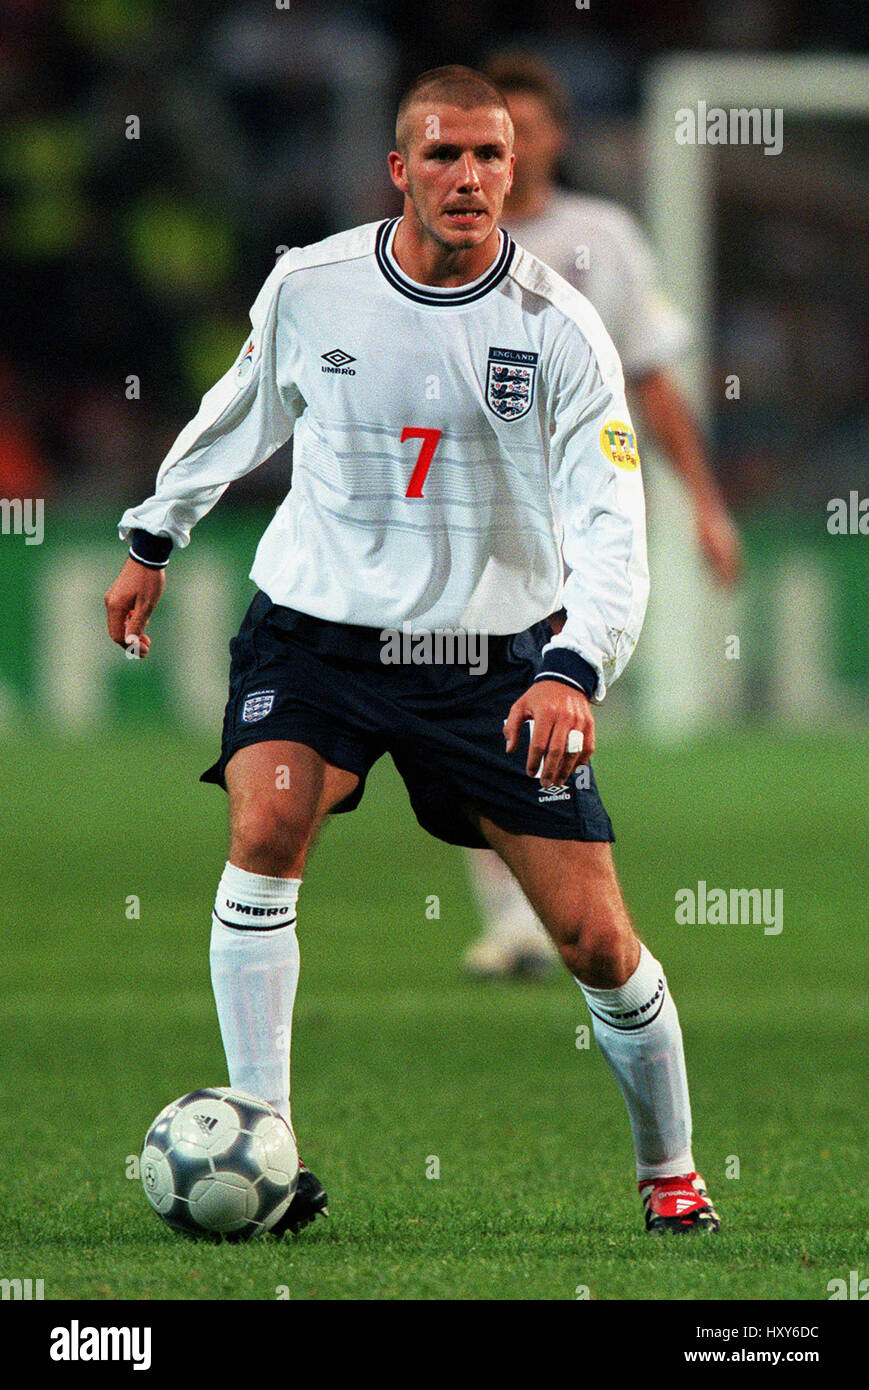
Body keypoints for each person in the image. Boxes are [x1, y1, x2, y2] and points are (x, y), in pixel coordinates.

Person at [105, 65, 720, 1236]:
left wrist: (571, 665)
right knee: (264, 824)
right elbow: (238, 410)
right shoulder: (315, 285)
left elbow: (610, 523)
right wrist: (152, 533)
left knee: (593, 936)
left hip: (490, 660)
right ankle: (270, 1150)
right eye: (441, 155)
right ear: (399, 170)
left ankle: (670, 1171)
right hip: (315, 634)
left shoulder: (557, 326)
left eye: (487, 156)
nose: (468, 177)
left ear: (512, 170)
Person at [462, 51, 743, 981]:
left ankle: (549, 907)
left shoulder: (602, 235)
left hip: (580, 507)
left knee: (550, 692)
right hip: (463, 512)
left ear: (553, 139)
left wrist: (705, 504)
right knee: (465, 703)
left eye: (529, 130)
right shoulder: (440, 239)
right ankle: (514, 916)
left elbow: (651, 377)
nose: (514, 148)